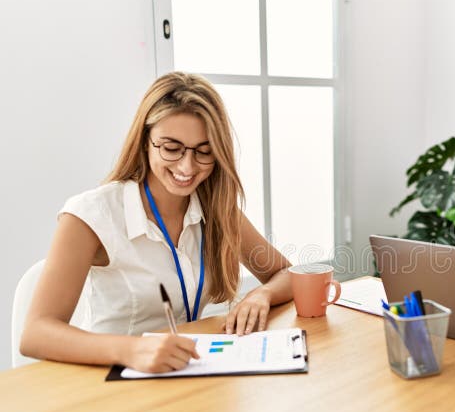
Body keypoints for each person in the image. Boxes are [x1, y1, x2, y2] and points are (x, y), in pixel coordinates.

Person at [20, 72, 293, 372]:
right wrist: (132, 350)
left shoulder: (216, 209)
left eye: (204, 152)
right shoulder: (90, 214)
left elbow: (288, 274)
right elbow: (35, 333)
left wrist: (262, 294)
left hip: (183, 373)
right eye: (171, 148)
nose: (187, 167)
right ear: (145, 142)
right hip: (108, 378)